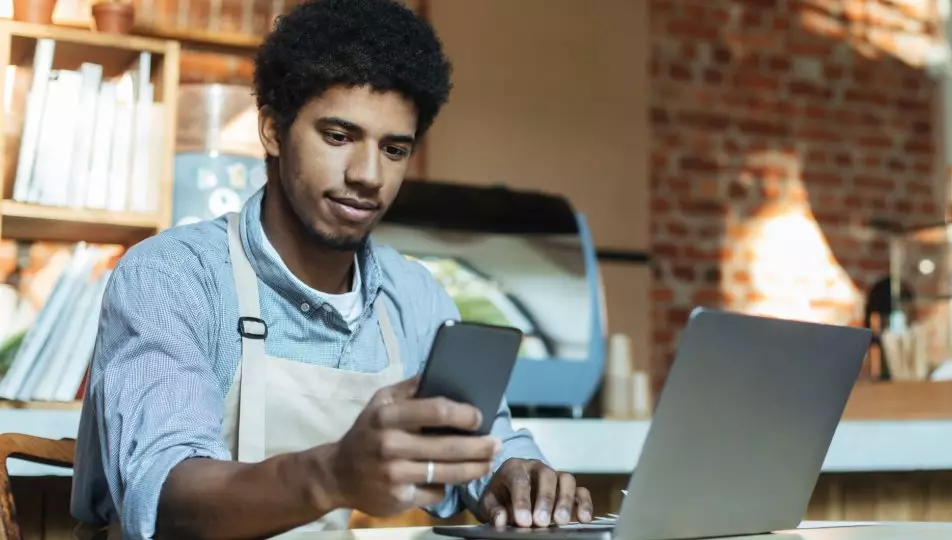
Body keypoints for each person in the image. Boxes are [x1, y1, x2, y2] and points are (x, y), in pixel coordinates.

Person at [70, 0, 592, 538]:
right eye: (339, 136)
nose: (369, 175)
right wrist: (332, 473)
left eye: (394, 149)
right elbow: (166, 497)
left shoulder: (416, 298)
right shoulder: (174, 278)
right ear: (273, 129)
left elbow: (484, 447)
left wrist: (513, 475)